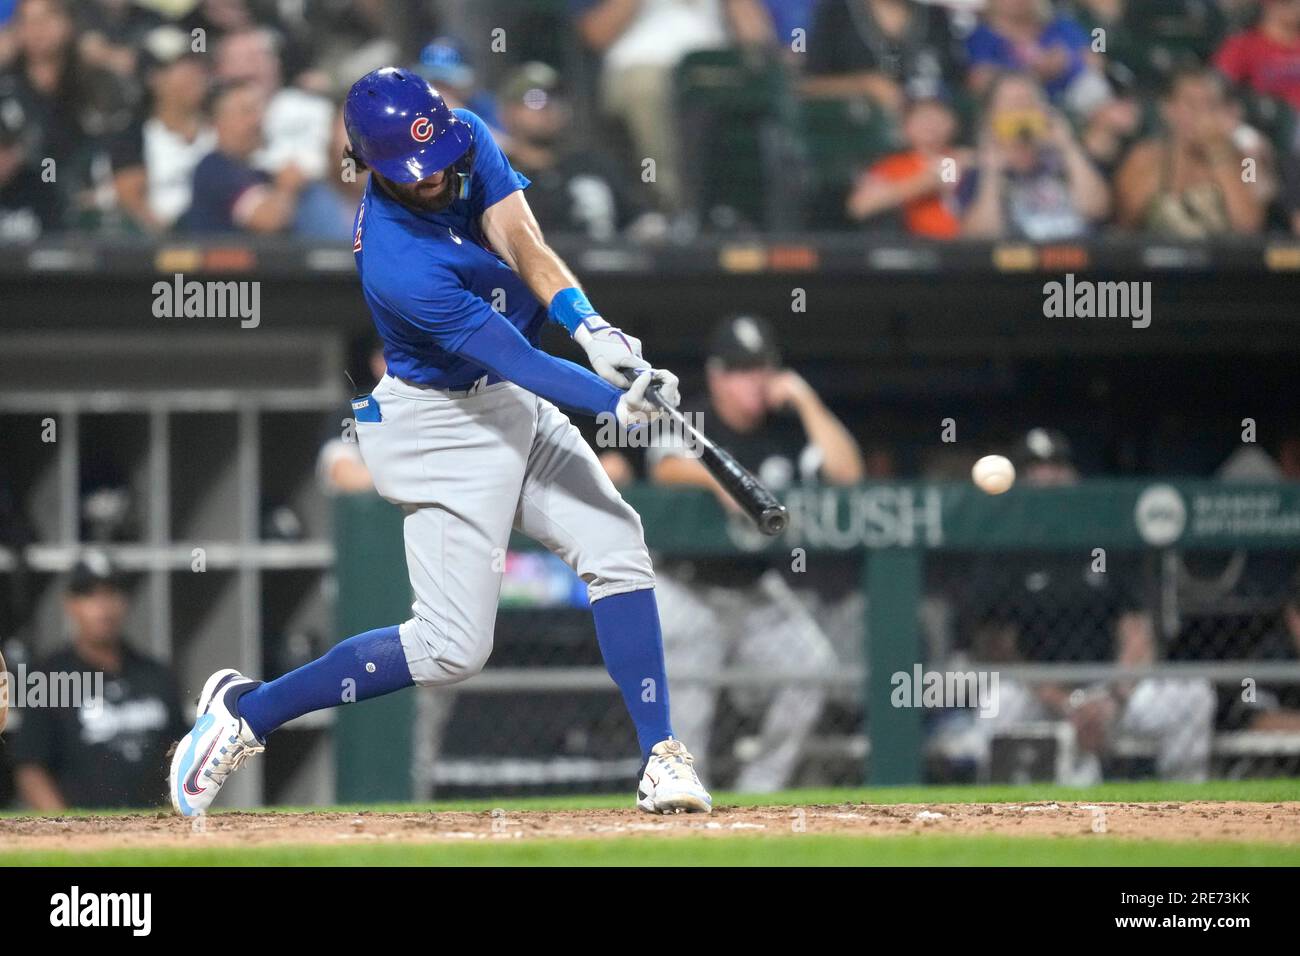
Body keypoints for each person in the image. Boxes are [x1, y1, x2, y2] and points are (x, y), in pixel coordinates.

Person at [169, 67, 711, 817]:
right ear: (370, 165)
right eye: (411, 173)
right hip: (439, 426)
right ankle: (248, 710)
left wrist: (593, 329)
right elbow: (518, 357)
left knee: (617, 543)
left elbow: (524, 242)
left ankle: (661, 754)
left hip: (508, 400)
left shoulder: (465, 137)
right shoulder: (396, 263)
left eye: (438, 160)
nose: (434, 179)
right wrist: (617, 399)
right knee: (453, 649)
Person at [648, 315, 861, 791]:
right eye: (742, 370)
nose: (755, 381)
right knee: (688, 716)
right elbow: (663, 468)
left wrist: (808, 403)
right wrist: (721, 480)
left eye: (762, 368)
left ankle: (759, 791)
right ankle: (679, 807)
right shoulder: (692, 419)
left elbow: (847, 473)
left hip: (753, 591)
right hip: (688, 588)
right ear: (718, 375)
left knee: (813, 667)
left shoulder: (785, 432)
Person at [960, 429, 1216, 783]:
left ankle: (1188, 812)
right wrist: (1064, 703)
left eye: (1056, 464)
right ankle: (1002, 816)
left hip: (1107, 685)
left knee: (1193, 696)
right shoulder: (1005, 549)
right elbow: (998, 647)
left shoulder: (1105, 536)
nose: (1048, 475)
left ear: (1073, 474)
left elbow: (1137, 633)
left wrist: (1111, 700)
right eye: (1035, 466)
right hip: (1038, 690)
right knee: (997, 706)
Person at [12, 554, 187, 809]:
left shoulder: (156, 674)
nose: (102, 607)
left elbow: (185, 757)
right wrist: (66, 830)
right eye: (90, 595)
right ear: (71, 604)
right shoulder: (50, 677)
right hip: (82, 833)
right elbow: (30, 766)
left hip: (154, 829)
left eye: (111, 593)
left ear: (124, 601)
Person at [570, 0, 774, 211]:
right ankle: (674, 206)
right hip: (638, 68)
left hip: (707, 68)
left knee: (743, 95)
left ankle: (736, 209)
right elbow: (595, 36)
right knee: (645, 89)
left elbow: (756, 38)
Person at [498, 61, 663, 242]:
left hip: (603, 267)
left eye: (557, 99)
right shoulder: (496, 177)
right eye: (535, 99)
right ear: (508, 112)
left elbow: (643, 221)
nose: (549, 108)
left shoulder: (593, 166)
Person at [1115, 67, 1268, 237]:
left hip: (1225, 260)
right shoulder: (1143, 156)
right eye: (1191, 104)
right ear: (1168, 109)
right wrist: (1177, 152)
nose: (1201, 113)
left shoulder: (1248, 160)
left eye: (1210, 104)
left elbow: (1249, 226)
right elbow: (1126, 218)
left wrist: (1219, 152)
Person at [959, 71, 1110, 240]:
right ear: (990, 115)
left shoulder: (1069, 158)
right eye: (1012, 103)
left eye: (1029, 101)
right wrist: (991, 173)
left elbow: (1096, 210)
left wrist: (1068, 146)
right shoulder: (977, 172)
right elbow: (981, 237)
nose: (1021, 110)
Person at [108, 24, 213, 233]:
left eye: (196, 65)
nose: (194, 75)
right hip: (162, 248)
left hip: (226, 243)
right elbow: (131, 200)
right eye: (182, 67)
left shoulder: (221, 126)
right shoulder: (133, 136)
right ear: (154, 78)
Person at [184, 80, 306, 234]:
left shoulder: (259, 173)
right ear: (217, 122)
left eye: (259, 111)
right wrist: (287, 187)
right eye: (246, 112)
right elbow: (269, 220)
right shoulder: (214, 169)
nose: (257, 120)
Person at [804, 0, 964, 108]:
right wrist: (863, 85)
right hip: (854, 138)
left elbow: (959, 86)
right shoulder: (836, 14)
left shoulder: (935, 18)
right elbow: (807, 85)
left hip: (928, 144)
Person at [846, 95, 967, 237]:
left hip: (958, 244)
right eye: (923, 117)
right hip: (911, 243)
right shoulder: (892, 165)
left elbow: (947, 179)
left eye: (939, 116)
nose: (931, 124)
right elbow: (859, 207)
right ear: (905, 125)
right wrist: (920, 184)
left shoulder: (955, 158)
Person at [965, 0, 1110, 117]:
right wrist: (1028, 71)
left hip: (1073, 99)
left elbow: (1096, 59)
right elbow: (978, 81)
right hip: (1020, 109)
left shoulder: (1059, 24)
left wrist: (1067, 60)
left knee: (1094, 85)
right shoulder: (981, 36)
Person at [1214, 0, 1300, 112]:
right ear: (1269, 6)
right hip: (1265, 119)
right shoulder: (1244, 44)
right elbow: (1217, 86)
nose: (1295, 8)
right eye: (1286, 3)